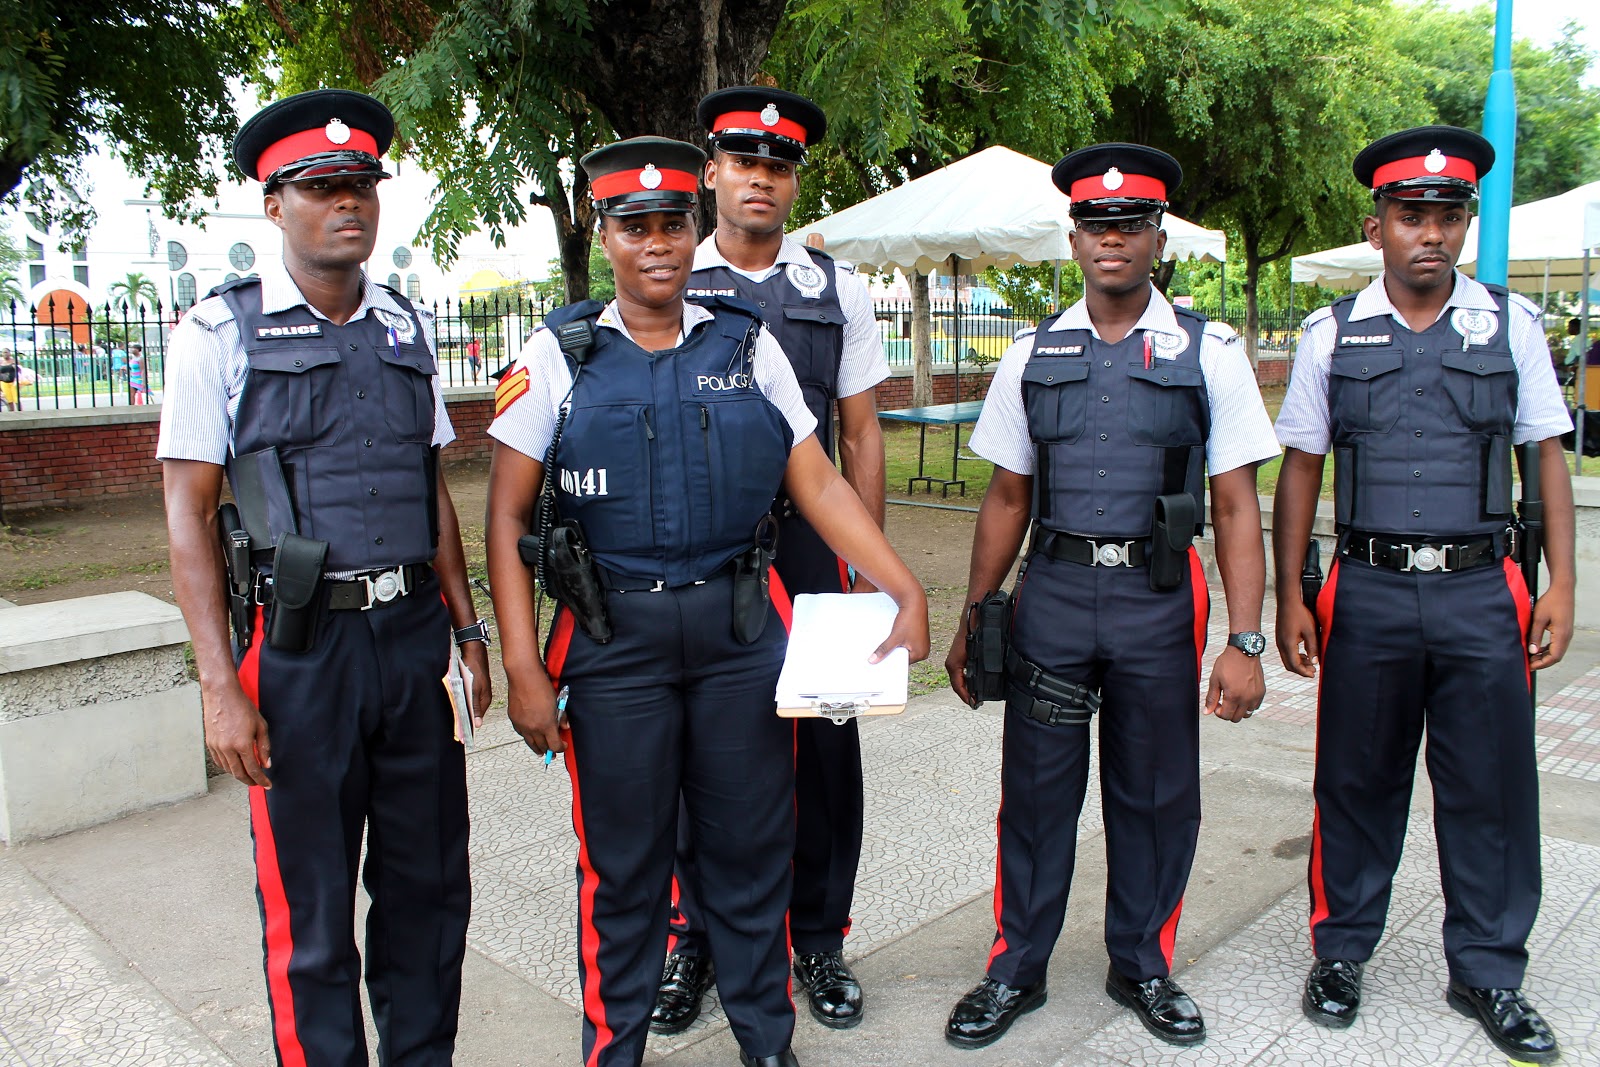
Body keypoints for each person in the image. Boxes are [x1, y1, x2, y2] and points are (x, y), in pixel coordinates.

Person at [485, 135, 929, 1067]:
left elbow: (818, 481)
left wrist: (900, 582)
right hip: (613, 648)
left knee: (750, 855)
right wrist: (523, 664)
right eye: (633, 225)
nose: (657, 243)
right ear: (604, 236)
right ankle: (614, 1051)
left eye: (673, 223)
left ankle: (769, 1044)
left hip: (738, 641)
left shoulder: (748, 343)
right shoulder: (559, 352)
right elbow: (506, 513)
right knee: (625, 870)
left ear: (696, 229)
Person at [157, 89, 492, 1066]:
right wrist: (221, 688)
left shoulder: (403, 326)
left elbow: (430, 489)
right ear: (274, 206)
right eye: (320, 188)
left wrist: (468, 634)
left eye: (360, 186)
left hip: (410, 641)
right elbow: (186, 512)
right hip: (300, 653)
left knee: (429, 888)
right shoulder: (219, 332)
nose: (347, 203)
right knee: (309, 912)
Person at [941, 143, 1279, 1050]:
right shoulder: (1031, 354)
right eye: (1097, 224)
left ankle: (1142, 964)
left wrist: (1246, 641)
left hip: (1158, 598)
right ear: (1075, 237)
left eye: (1131, 224)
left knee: (1157, 794)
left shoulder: (1211, 352)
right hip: (1051, 594)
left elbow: (1238, 502)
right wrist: (977, 615)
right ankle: (1016, 967)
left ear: (1158, 236)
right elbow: (1007, 495)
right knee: (1038, 794)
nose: (1114, 239)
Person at [1273, 126, 1574, 1065]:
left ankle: (1489, 969)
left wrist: (1564, 580)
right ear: (1378, 227)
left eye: (1448, 217)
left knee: (1490, 786)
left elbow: (1546, 457)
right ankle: (1341, 951)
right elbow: (1299, 471)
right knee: (1356, 779)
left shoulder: (1511, 325)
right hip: (1365, 588)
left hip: (1485, 591)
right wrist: (1291, 592)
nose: (1431, 234)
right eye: (1412, 217)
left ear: (1465, 226)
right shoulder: (1332, 333)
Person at [650, 86, 890, 1037]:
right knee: (696, 747)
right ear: (712, 171)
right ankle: (695, 936)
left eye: (778, 165)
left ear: (793, 181)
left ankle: (819, 936)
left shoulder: (837, 291)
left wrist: (864, 567)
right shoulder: (671, 272)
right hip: (702, 548)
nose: (761, 179)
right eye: (744, 162)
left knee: (826, 748)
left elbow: (862, 432)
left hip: (809, 544)